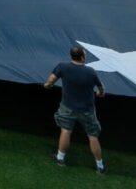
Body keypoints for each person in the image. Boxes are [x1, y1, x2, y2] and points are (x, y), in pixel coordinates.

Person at [45, 46, 106, 174]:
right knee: (93, 137)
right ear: (83, 57)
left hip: (67, 108)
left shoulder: (62, 67)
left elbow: (50, 81)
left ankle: (60, 159)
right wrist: (100, 93)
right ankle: (100, 166)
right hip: (87, 111)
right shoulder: (91, 72)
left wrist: (48, 85)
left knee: (66, 131)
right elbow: (101, 89)